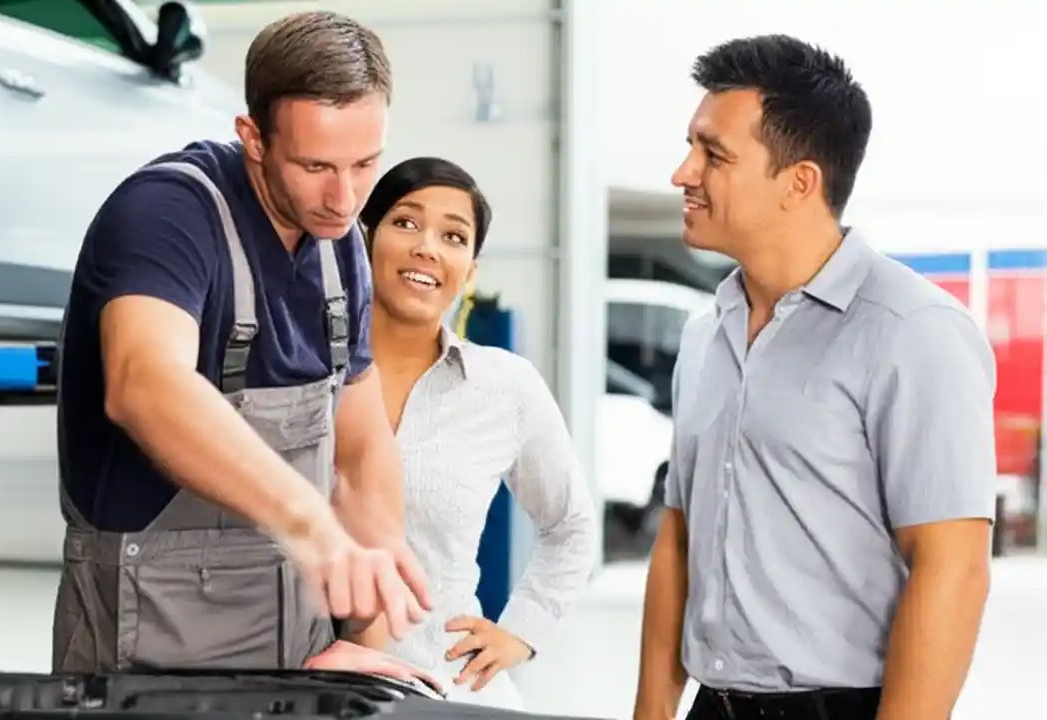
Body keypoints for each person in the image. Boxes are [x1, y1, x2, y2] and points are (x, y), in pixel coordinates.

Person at [50, 10, 434, 675]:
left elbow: (363, 452)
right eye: (316, 165)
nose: (345, 200)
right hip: (152, 652)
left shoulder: (339, 250)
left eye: (365, 163)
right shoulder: (166, 213)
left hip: (298, 655)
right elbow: (145, 384)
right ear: (253, 137)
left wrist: (364, 637)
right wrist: (312, 528)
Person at [633, 35, 996, 720]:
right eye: (691, 146)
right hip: (715, 705)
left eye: (714, 154)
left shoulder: (912, 331)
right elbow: (678, 538)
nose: (684, 173)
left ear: (799, 181)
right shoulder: (705, 332)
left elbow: (952, 568)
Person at [356, 157, 598, 710]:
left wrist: (520, 633)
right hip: (304, 688)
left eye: (453, 236)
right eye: (405, 223)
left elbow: (572, 526)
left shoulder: (503, 386)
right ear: (363, 241)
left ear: (469, 271)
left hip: (442, 687)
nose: (428, 248)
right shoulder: (306, 371)